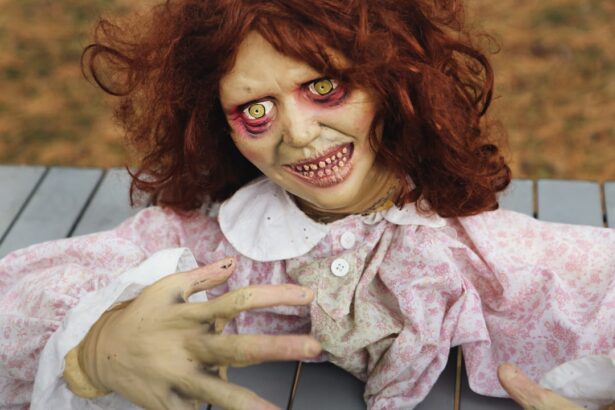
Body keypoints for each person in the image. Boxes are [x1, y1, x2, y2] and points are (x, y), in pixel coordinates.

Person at [1, 0, 614, 409]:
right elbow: (19, 297)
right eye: (255, 109)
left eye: (323, 86)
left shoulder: (483, 253)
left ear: (393, 82)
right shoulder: (209, 248)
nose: (296, 133)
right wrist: (94, 346)